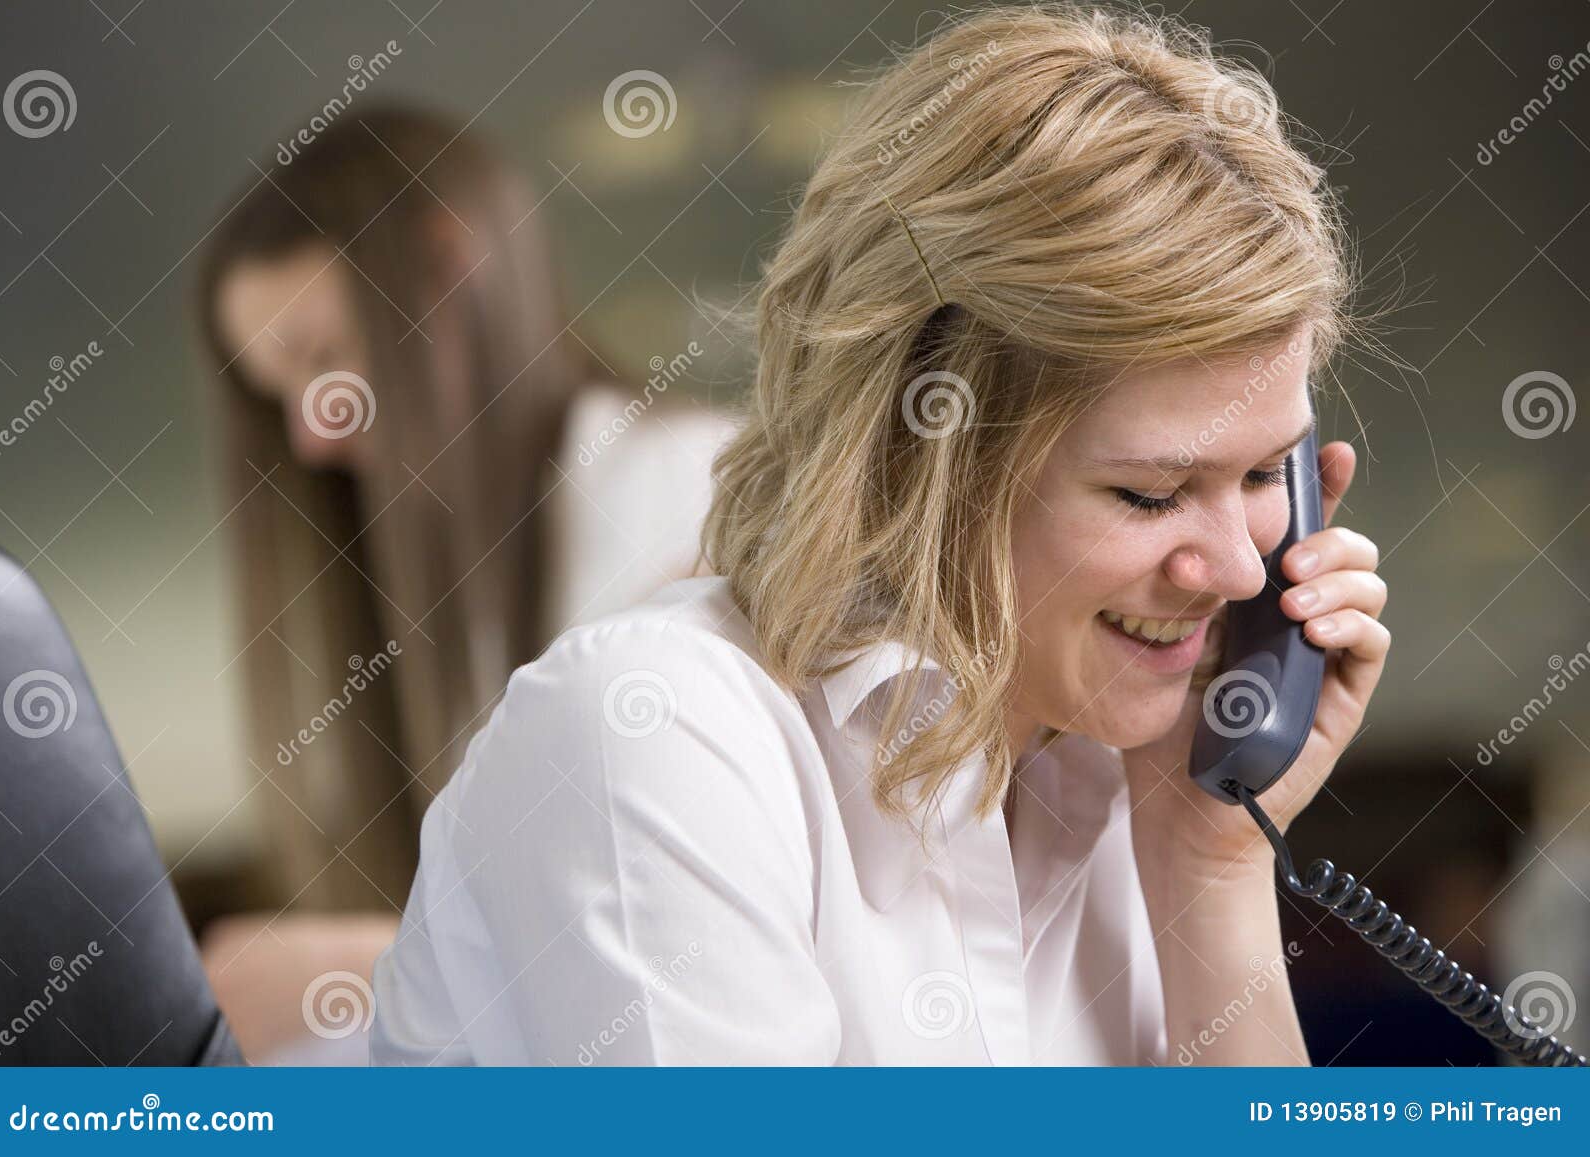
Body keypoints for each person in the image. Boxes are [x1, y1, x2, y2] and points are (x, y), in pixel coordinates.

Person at [371, 4, 1390, 1065]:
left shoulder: (1123, 767)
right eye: (1147, 493)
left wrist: (1208, 864)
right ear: (918, 454)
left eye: (1266, 472)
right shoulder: (652, 736)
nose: (1235, 568)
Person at [194, 103, 731, 1060]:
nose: (310, 437)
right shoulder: (473, 597)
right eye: (279, 399)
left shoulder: (703, 503)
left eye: (323, 359)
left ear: (450, 270)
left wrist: (357, 968)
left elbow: (707, 942)